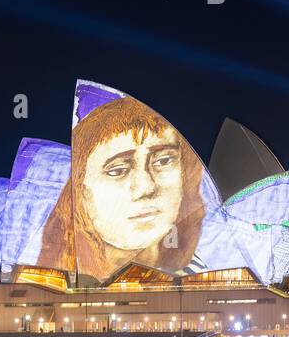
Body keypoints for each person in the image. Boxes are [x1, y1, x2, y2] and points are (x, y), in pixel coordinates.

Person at [37, 95, 205, 279]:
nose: (146, 188)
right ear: (81, 192)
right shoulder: (51, 279)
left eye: (163, 161)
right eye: (117, 171)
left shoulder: (202, 276)